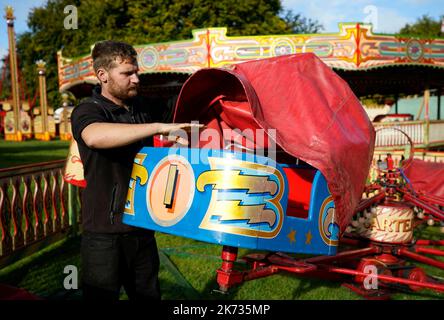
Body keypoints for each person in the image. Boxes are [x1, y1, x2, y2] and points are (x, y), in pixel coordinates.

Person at [71, 40, 200, 300]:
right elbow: (95, 136)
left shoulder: (142, 107)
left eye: (137, 71)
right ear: (103, 76)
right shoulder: (88, 109)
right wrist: (157, 127)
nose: (136, 79)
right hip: (104, 236)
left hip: (142, 229)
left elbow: (188, 105)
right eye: (127, 73)